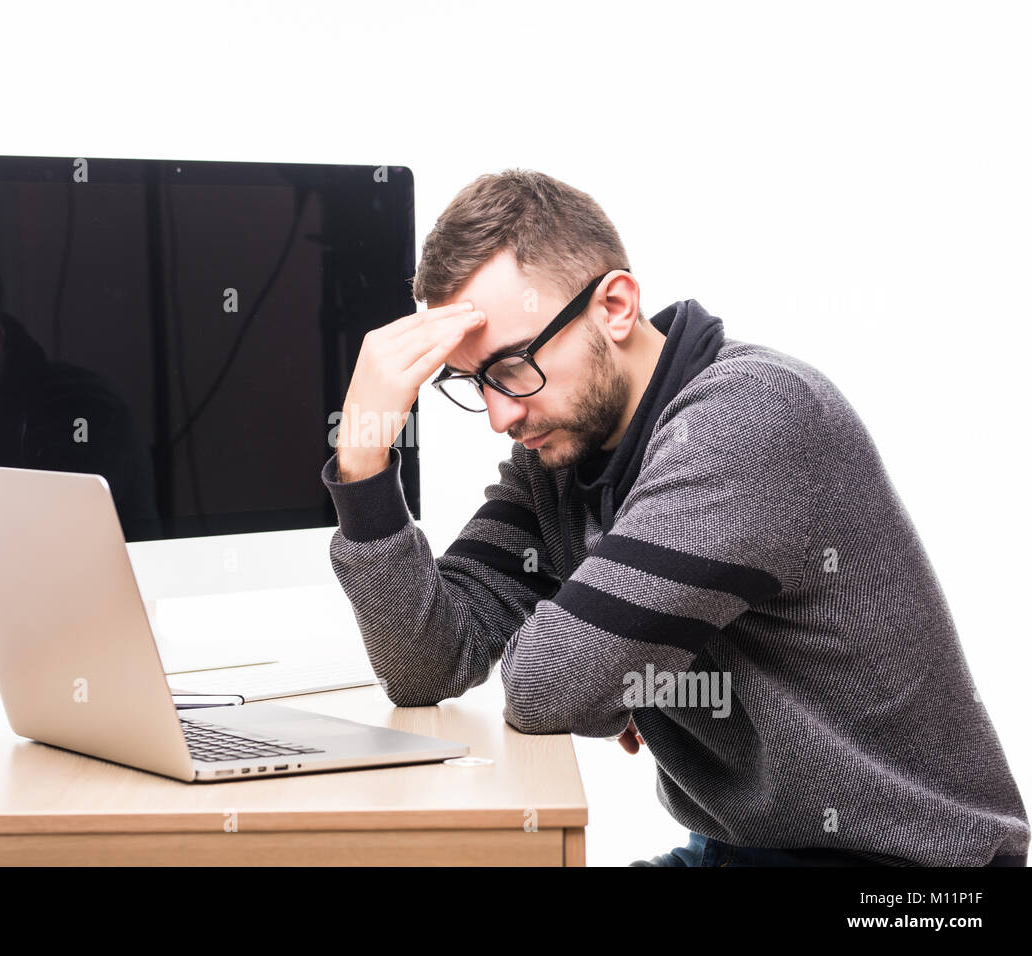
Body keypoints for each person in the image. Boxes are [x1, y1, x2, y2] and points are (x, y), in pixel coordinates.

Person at [319, 168, 1028, 867]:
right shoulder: (562, 456)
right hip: (735, 852)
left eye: (512, 366)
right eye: (476, 384)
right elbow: (427, 663)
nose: (501, 414)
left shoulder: (750, 420)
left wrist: (620, 670)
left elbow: (545, 685)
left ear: (617, 306)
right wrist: (364, 456)